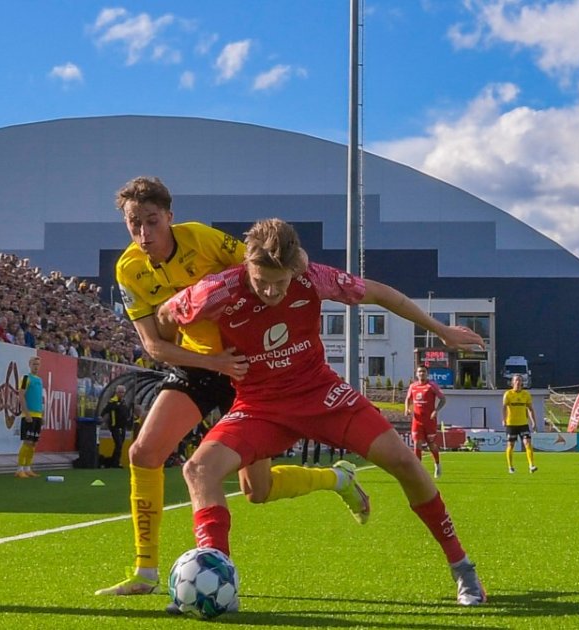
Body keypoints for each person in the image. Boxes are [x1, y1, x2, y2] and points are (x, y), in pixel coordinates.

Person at [158, 218, 487, 608]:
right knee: (202, 471)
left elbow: (381, 294)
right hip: (259, 406)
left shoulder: (314, 277)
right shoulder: (216, 290)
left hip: (321, 395)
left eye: (280, 283)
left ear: (294, 269)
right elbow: (165, 317)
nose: (271, 292)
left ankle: (462, 568)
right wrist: (205, 360)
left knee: (403, 461)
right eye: (262, 282)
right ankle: (216, 576)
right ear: (247, 265)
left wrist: (440, 330)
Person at [96, 177, 368, 596]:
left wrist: (300, 261)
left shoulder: (202, 239)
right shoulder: (128, 269)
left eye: (152, 221)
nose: (144, 233)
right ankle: (145, 572)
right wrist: (212, 362)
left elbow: (266, 259)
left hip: (249, 367)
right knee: (143, 453)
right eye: (135, 223)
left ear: (169, 216)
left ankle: (337, 479)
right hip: (200, 365)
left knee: (257, 490)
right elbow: (154, 346)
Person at [406, 365, 446, 478]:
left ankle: (437, 464)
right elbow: (408, 399)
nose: (421, 373)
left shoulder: (431, 386)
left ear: (427, 373)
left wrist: (436, 410)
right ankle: (418, 471)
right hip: (417, 420)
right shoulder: (413, 386)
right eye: (419, 372)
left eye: (423, 371)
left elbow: (443, 399)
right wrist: (407, 409)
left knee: (431, 444)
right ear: (416, 374)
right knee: (417, 443)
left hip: (429, 421)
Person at [14, 356, 44, 478]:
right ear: (30, 365)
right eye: (34, 364)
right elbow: (21, 395)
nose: (36, 366)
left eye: (38, 364)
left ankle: (28, 468)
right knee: (27, 441)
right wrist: (26, 413)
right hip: (29, 414)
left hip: (38, 415)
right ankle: (19, 469)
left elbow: (39, 398)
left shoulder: (40, 380)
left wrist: (42, 415)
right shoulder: (26, 378)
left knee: (33, 443)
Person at [502, 374, 537, 474]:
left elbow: (530, 409)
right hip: (511, 424)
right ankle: (510, 467)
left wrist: (533, 422)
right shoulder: (508, 394)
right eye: (516, 380)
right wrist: (503, 419)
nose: (518, 382)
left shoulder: (526, 394)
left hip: (523, 424)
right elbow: (504, 408)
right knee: (511, 445)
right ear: (512, 382)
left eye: (520, 380)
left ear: (522, 382)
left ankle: (531, 465)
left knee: (528, 443)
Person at [100, 384, 130, 468]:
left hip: (123, 426)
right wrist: (101, 417)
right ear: (116, 392)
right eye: (120, 392)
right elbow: (105, 410)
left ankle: (114, 461)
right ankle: (115, 462)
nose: (121, 394)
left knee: (120, 445)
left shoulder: (124, 402)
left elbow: (126, 412)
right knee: (118, 444)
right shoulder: (112, 402)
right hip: (115, 426)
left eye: (123, 392)